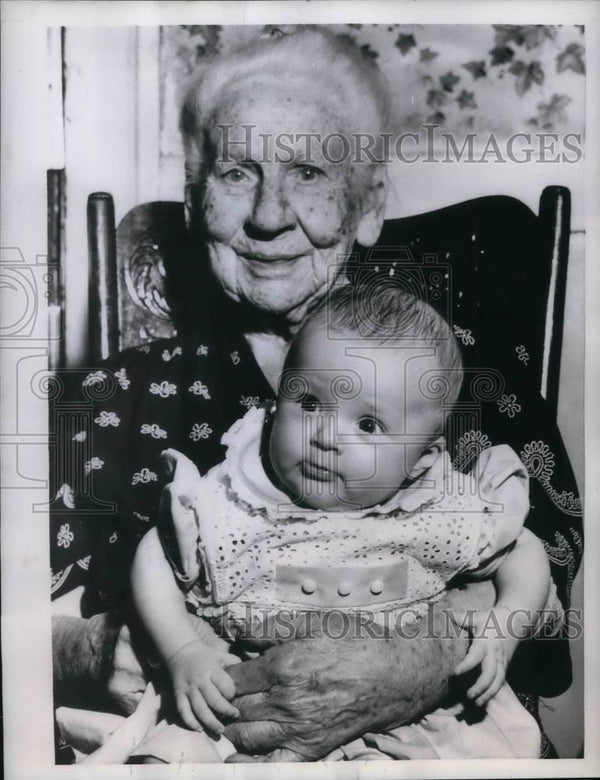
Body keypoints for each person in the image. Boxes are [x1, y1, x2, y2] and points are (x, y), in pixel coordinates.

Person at [50, 26, 582, 762]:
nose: (269, 216)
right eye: (237, 173)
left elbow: (550, 597)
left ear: (366, 206)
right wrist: (98, 646)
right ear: (195, 202)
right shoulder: (115, 396)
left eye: (307, 172)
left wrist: (422, 656)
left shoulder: (468, 376)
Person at [126, 285, 555, 761]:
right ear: (276, 404)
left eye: (368, 425)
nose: (326, 437)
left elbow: (524, 550)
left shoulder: (436, 511)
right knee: (166, 758)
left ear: (421, 460)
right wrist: (183, 650)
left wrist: (502, 627)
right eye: (309, 403)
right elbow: (156, 553)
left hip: (408, 717)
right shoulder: (237, 502)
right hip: (250, 706)